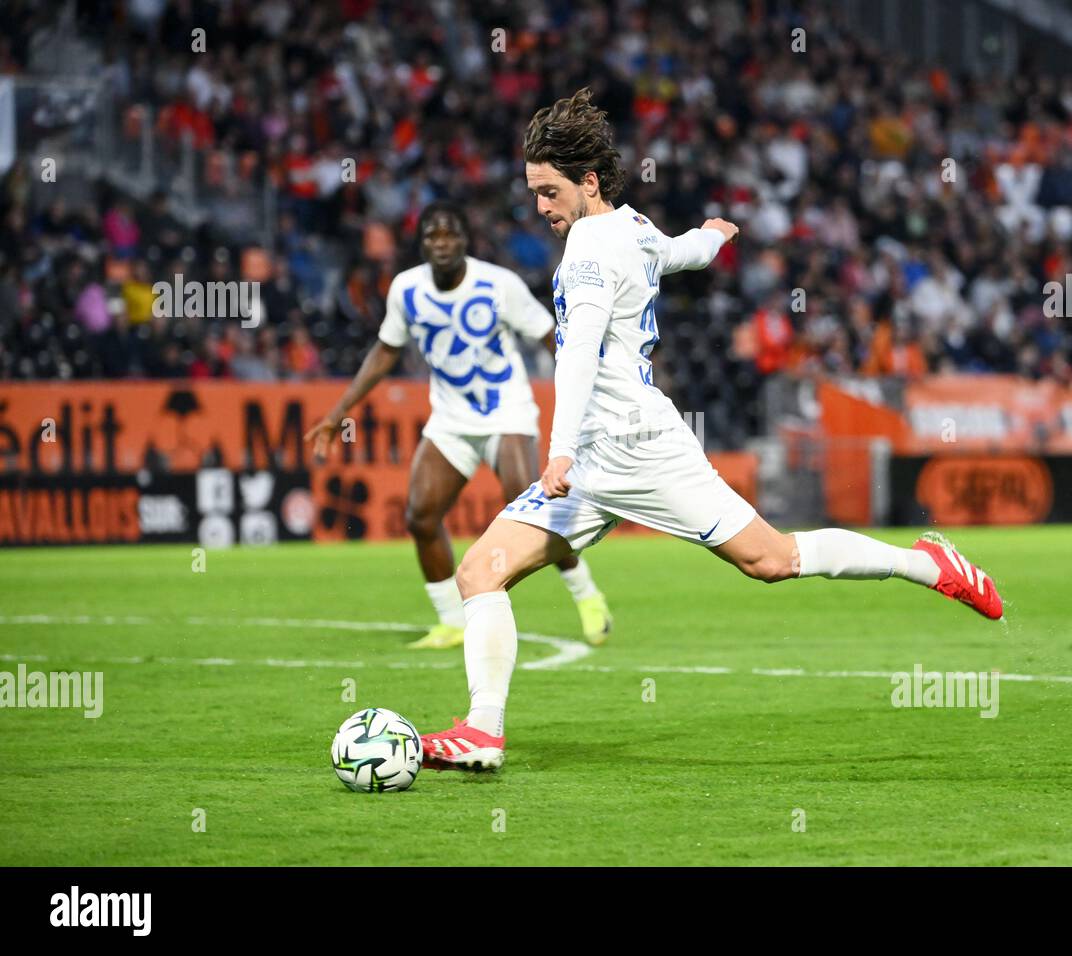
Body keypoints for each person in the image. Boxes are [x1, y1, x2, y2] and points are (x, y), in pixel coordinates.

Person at [420, 90, 1003, 771]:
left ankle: (926, 564)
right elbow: (676, 254)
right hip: (599, 457)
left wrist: (560, 452)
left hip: (633, 450)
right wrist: (713, 237)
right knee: (480, 570)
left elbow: (576, 353)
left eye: (550, 193)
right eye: (534, 195)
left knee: (771, 560)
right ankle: (483, 732)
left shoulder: (586, 249)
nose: (541, 209)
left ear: (587, 182)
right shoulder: (630, 225)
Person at [307, 201, 614, 650]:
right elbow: (385, 351)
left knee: (530, 510)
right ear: (422, 244)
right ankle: (453, 620)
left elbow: (550, 335)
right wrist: (338, 413)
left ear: (466, 240)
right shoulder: (405, 289)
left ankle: (586, 595)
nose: (442, 243)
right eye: (433, 235)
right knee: (421, 516)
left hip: (507, 412)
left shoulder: (498, 284)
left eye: (450, 234)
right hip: (450, 420)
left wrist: (589, 393)